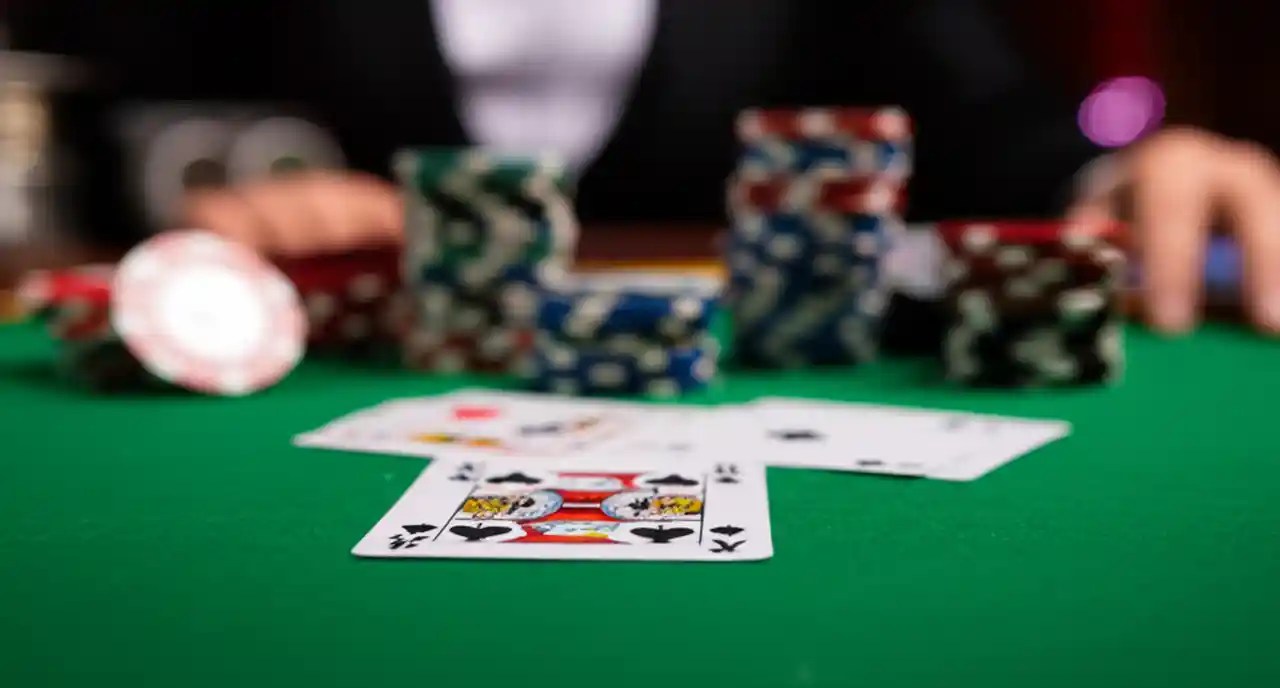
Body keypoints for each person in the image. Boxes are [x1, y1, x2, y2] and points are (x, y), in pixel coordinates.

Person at [12, 0, 1280, 335]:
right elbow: (110, 90)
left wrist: (1113, 170)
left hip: (757, 345)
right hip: (356, 325)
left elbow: (982, 109)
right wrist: (234, 176)